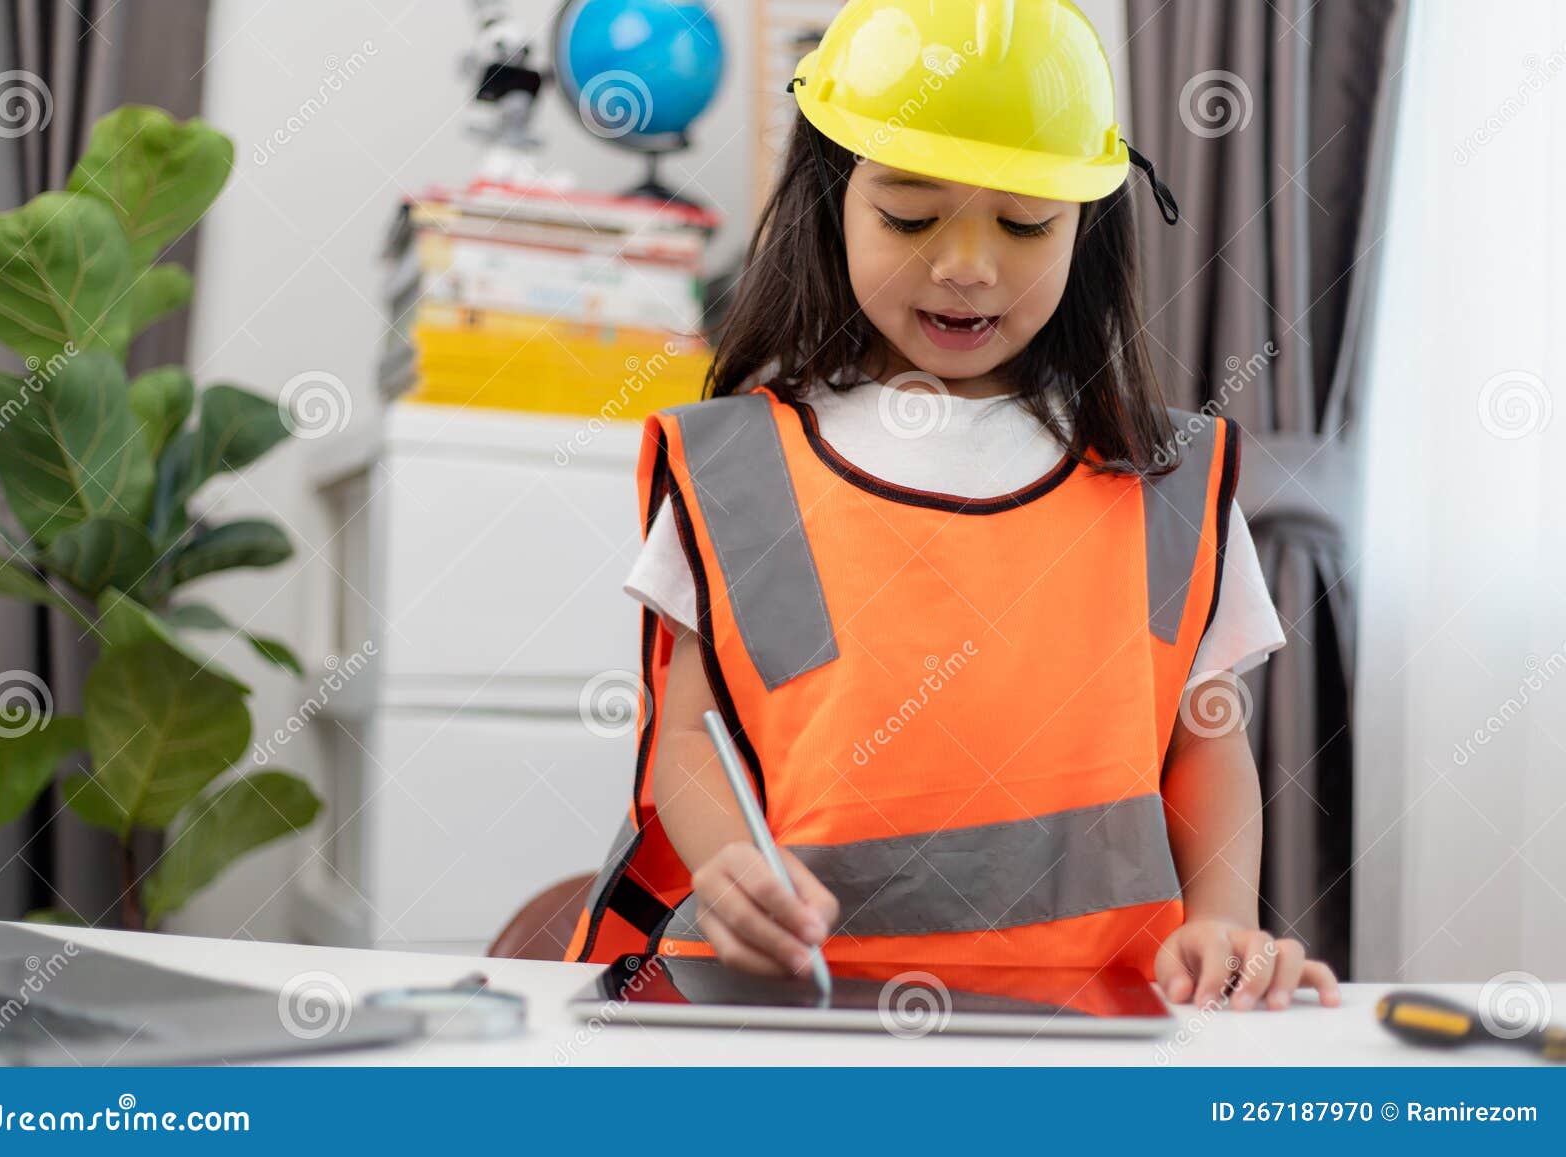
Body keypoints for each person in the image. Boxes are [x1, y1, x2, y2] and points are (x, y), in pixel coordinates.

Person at [564, 0, 1342, 1014]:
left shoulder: (1169, 479)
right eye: (909, 215)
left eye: (1024, 224)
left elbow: (1209, 736)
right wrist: (725, 867)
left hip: (1091, 1033)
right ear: (830, 198)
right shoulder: (732, 466)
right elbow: (688, 735)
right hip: (782, 1014)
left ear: (1087, 226)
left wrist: (1221, 913)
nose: (968, 265)